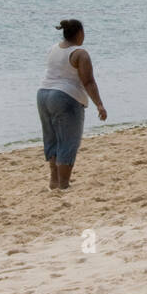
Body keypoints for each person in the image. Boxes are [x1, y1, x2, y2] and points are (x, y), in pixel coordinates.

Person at [37, 19, 107, 191]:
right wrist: (99, 104)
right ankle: (64, 184)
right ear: (80, 33)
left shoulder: (53, 48)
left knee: (52, 138)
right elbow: (88, 82)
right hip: (65, 97)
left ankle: (54, 181)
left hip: (43, 94)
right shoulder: (80, 53)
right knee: (68, 141)